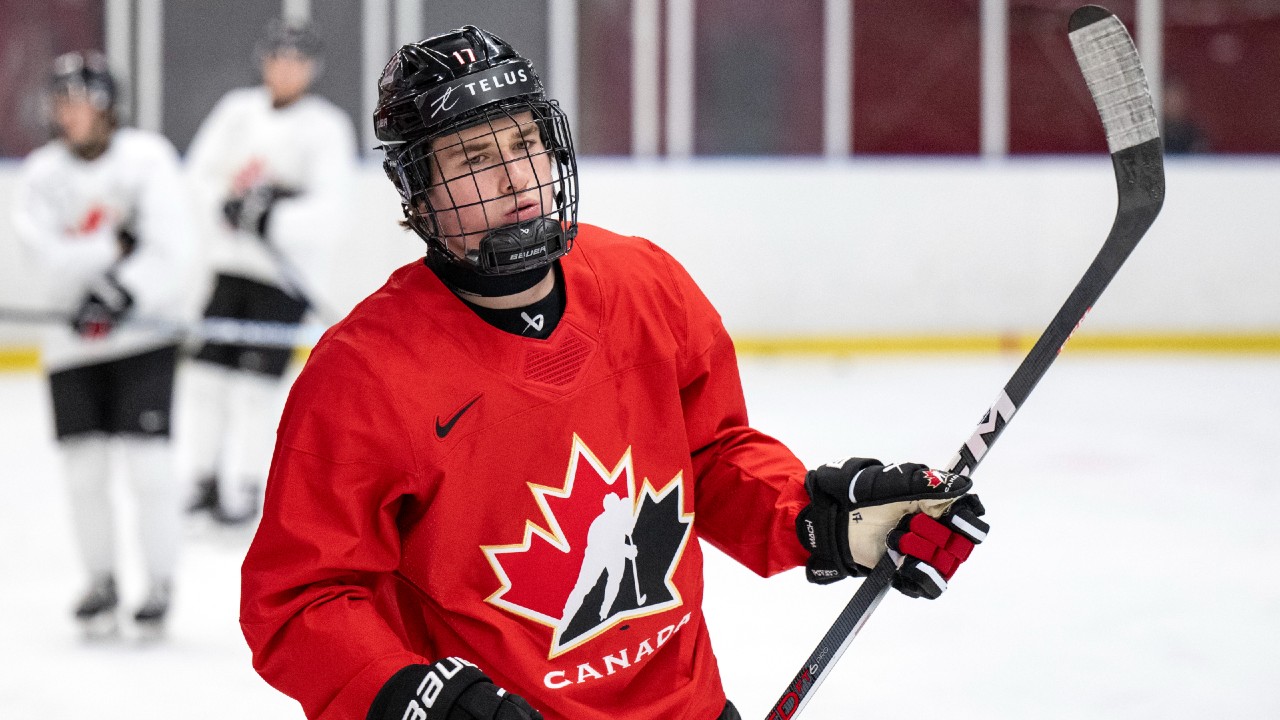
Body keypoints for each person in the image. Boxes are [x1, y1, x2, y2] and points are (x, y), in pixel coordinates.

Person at [240, 27, 990, 720]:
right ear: (418, 194)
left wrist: (816, 518)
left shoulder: (642, 283)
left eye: (525, 144)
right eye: (473, 161)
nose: (515, 178)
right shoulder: (362, 374)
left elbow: (714, 457)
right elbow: (300, 598)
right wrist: (415, 696)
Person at [10, 51, 196, 636]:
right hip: (69, 345)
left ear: (107, 106)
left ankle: (160, 582)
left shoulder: (148, 160)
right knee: (83, 472)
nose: (69, 113)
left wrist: (121, 294)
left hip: (142, 338)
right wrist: (112, 250)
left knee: (149, 468)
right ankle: (100, 581)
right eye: (61, 102)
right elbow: (43, 263)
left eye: (81, 101)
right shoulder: (41, 174)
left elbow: (173, 249)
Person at [182, 19, 357, 525]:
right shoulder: (236, 111)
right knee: (207, 376)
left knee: (257, 388)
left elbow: (333, 211)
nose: (285, 69)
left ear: (311, 68)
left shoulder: (326, 127)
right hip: (231, 268)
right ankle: (202, 477)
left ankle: (246, 483)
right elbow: (199, 175)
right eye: (278, 58)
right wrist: (228, 206)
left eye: (296, 61)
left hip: (284, 281)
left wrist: (272, 217)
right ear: (265, 61)